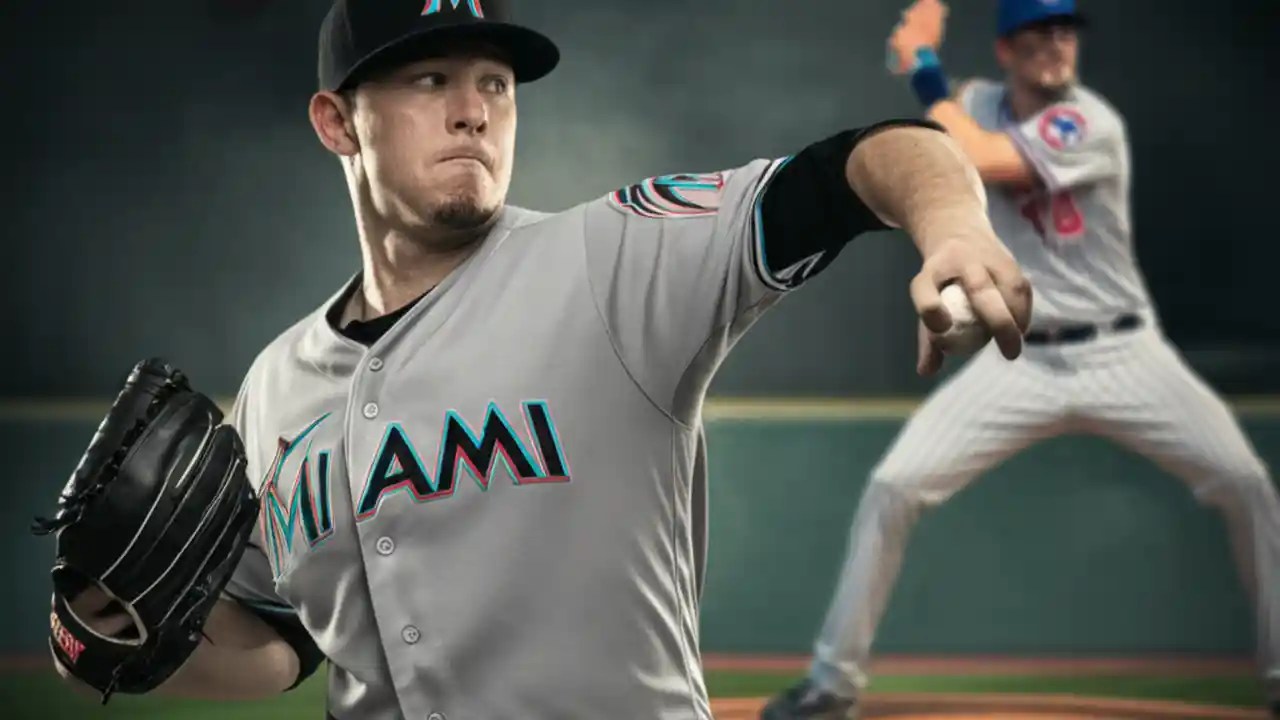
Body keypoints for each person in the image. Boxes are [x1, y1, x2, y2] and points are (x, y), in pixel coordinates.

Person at [52, 1, 1033, 717]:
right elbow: (288, 645)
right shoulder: (277, 381)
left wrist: (949, 225)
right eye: (428, 79)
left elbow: (861, 163)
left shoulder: (610, 259)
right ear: (336, 122)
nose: (473, 109)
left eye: (493, 82)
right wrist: (103, 632)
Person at [760, 1, 1280, 718]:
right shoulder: (977, 101)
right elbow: (936, 113)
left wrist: (923, 65)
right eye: (1038, 33)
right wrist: (913, 39)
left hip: (1124, 351)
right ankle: (830, 686)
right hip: (1019, 359)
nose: (1057, 45)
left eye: (1066, 30)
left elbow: (977, 156)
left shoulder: (1088, 121)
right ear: (1007, 48)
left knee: (1246, 482)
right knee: (894, 486)